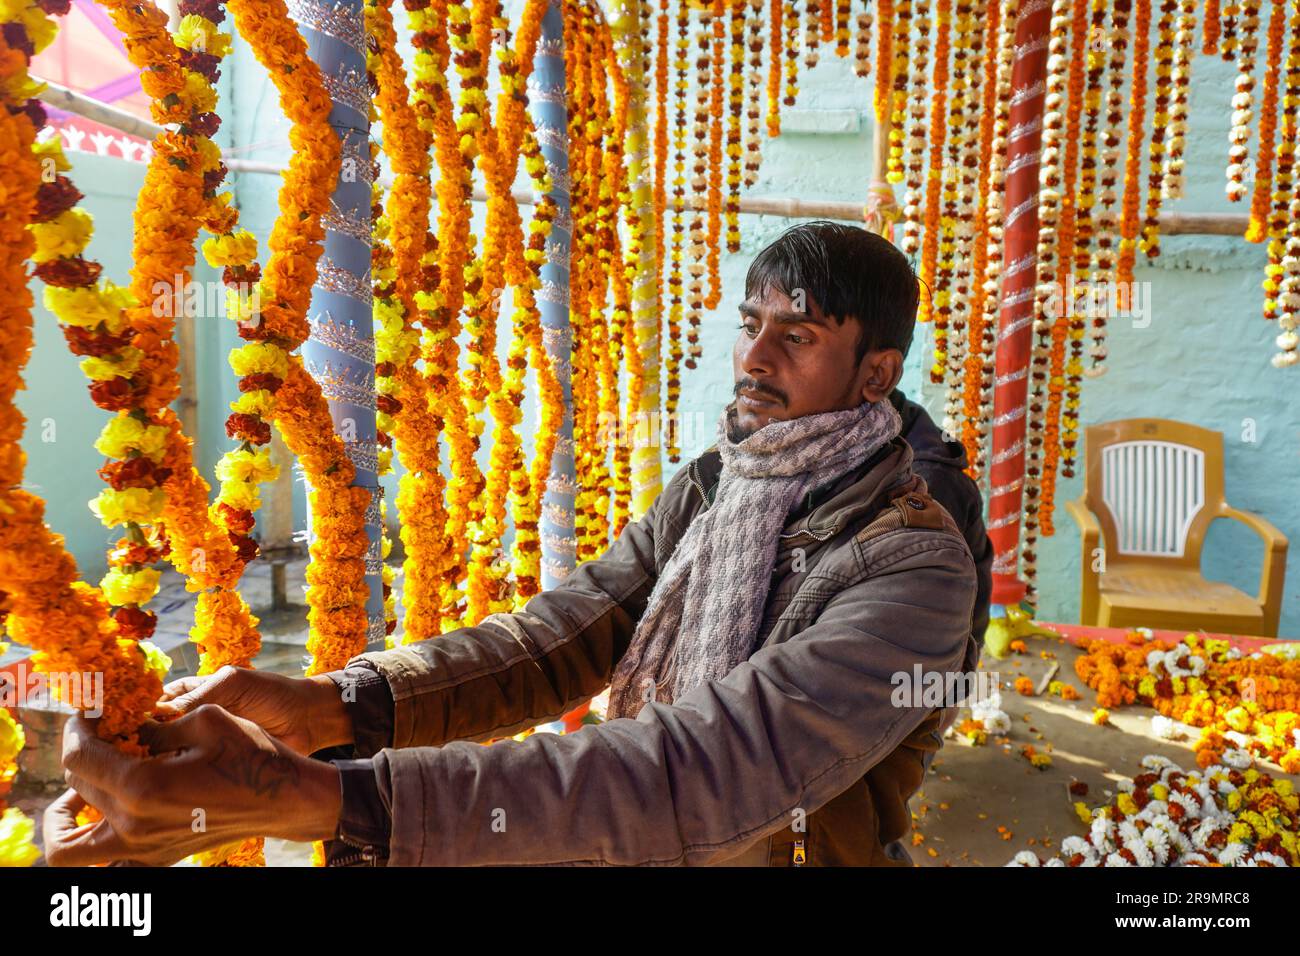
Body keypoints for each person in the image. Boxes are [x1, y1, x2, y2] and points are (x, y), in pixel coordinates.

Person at [48, 221, 989, 867]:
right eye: (751, 324)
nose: (753, 357)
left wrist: (325, 800)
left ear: (877, 375)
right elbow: (564, 635)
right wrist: (335, 702)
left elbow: (712, 768)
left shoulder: (915, 563)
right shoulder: (716, 481)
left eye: (800, 333)